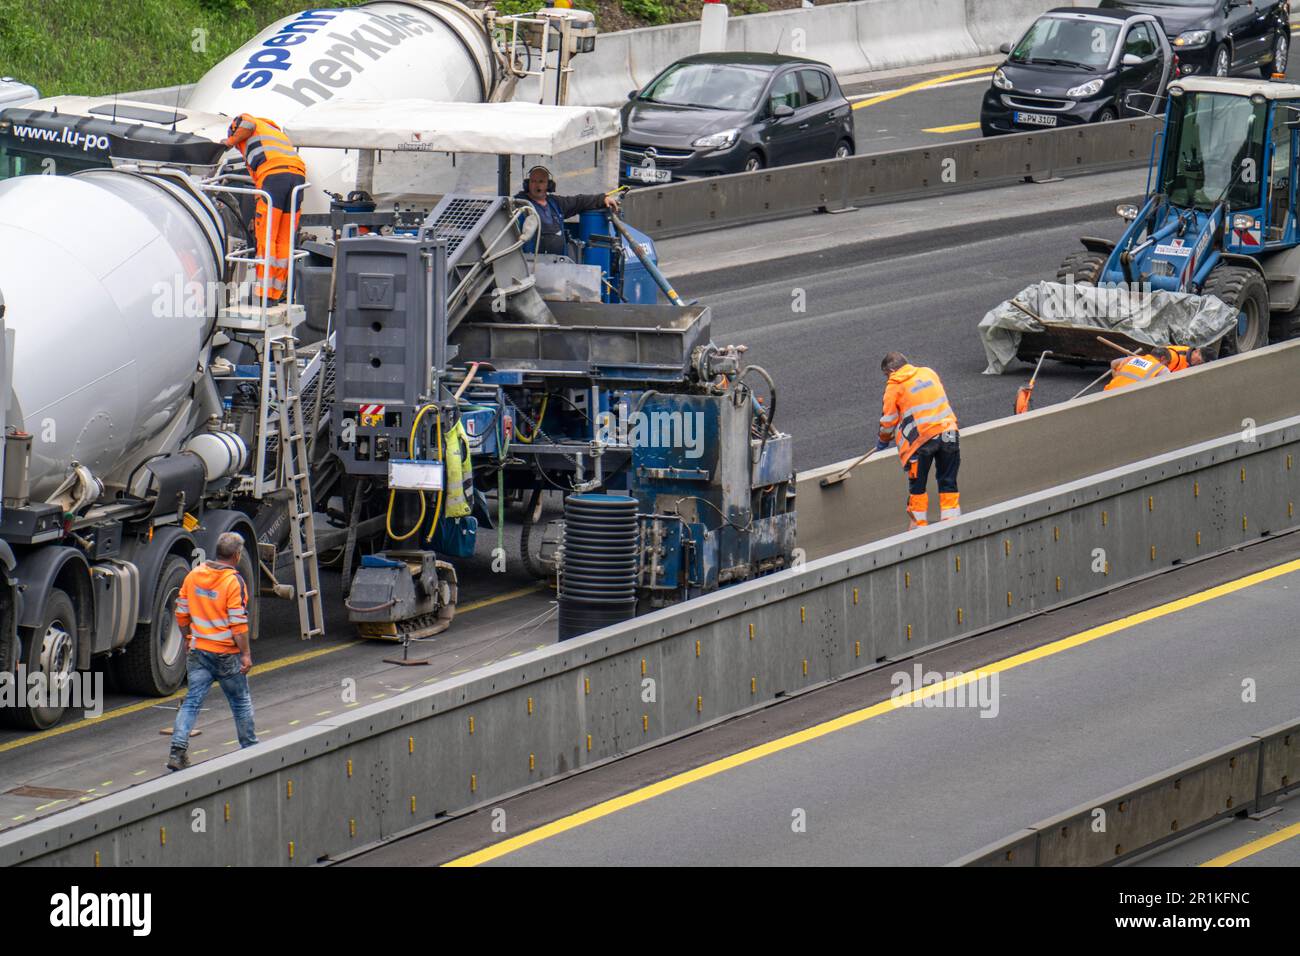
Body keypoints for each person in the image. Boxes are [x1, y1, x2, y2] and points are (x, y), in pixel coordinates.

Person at [167, 532, 256, 772]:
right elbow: (238, 626)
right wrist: (245, 654)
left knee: (192, 702)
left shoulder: (194, 575)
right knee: (240, 702)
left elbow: (181, 613)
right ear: (237, 555)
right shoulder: (233, 582)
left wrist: (188, 637)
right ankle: (251, 749)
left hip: (198, 651)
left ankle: (177, 751)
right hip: (226, 655)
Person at [221, 113, 307, 303]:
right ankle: (275, 293)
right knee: (284, 238)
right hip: (297, 177)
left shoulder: (246, 122)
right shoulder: (274, 133)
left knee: (266, 236)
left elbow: (247, 123)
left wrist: (228, 142)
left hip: (274, 176)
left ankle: (263, 294)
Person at [875, 352, 960, 530]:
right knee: (948, 479)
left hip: (922, 441)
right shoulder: (928, 372)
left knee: (918, 486)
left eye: (886, 375)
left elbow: (888, 420)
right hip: (949, 432)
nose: (887, 378)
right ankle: (952, 522)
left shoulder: (895, 385)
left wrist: (883, 439)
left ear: (891, 370)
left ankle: (919, 527)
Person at [514, 165, 620, 256]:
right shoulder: (519, 203)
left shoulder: (555, 203)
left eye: (541, 181)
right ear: (527, 184)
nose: (537, 185)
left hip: (558, 263)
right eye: (533, 181)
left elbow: (579, 201)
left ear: (549, 185)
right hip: (531, 262)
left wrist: (601, 199)